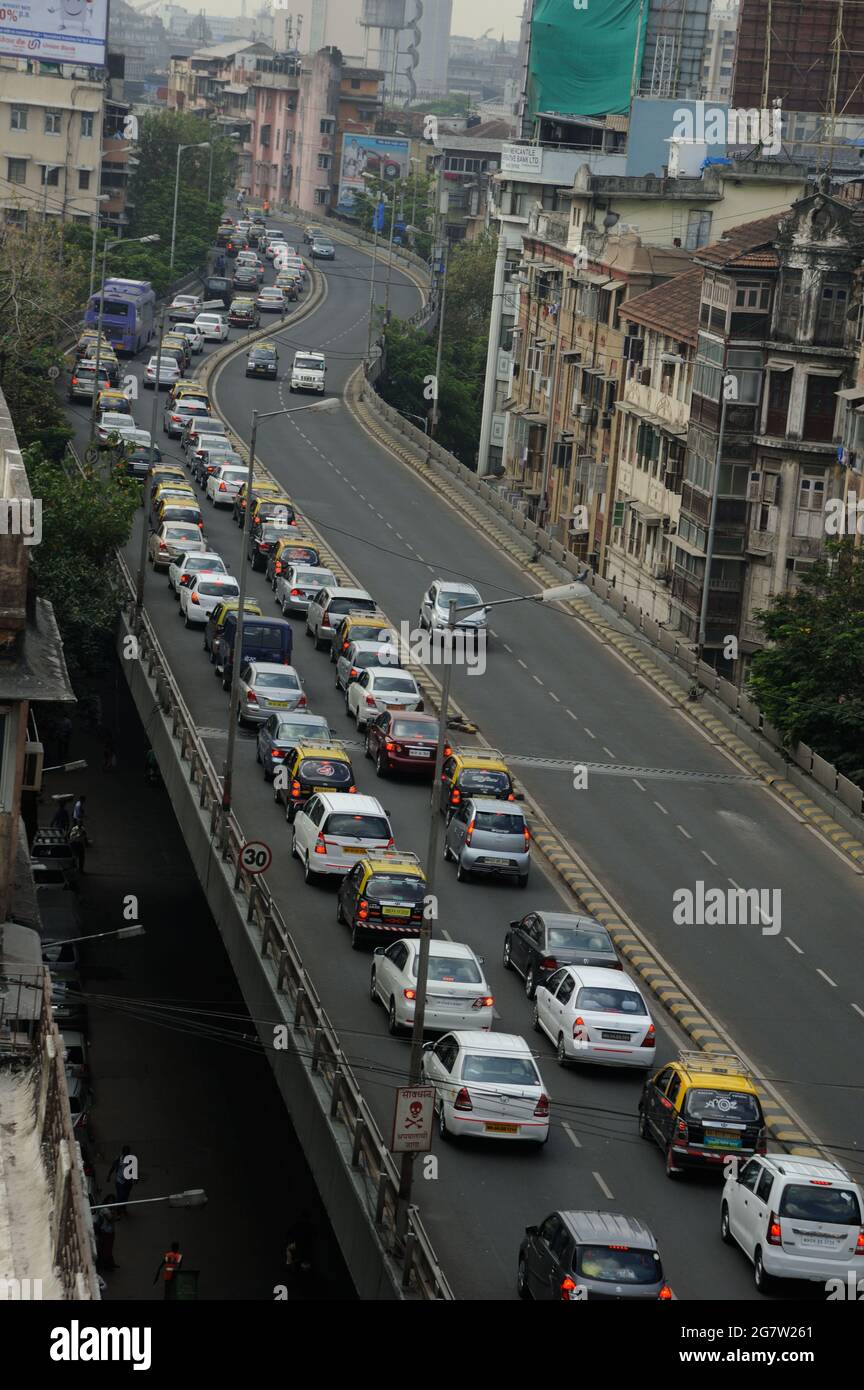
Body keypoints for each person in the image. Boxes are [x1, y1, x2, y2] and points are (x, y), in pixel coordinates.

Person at [107, 1144, 136, 1213]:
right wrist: (109, 1175)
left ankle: (123, 1208)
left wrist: (135, 1178)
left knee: (126, 1196)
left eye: (128, 1152)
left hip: (128, 1182)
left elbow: (134, 1169)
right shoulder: (118, 1158)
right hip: (119, 1181)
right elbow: (113, 1167)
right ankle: (118, 1209)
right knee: (120, 1195)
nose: (126, 1154)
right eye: (125, 1152)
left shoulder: (131, 1160)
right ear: (123, 1152)